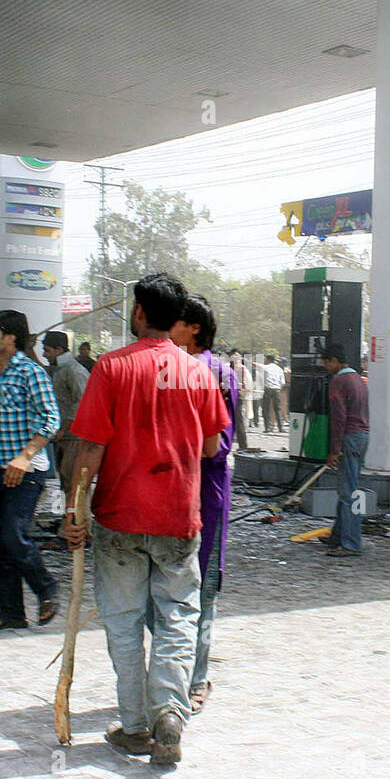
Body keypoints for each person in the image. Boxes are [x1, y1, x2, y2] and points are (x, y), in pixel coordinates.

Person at [62, 272, 229, 767]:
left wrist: (74, 510)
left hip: (118, 516)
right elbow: (211, 445)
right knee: (179, 618)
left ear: (138, 312)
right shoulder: (198, 372)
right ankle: (171, 715)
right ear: (176, 317)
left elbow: (89, 447)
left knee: (124, 621)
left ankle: (135, 726)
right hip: (179, 515)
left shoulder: (111, 369)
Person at [0, 311, 61, 632]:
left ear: (10, 338)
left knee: (13, 535)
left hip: (29, 469)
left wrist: (25, 456)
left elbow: (51, 421)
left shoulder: (31, 373)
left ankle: (47, 589)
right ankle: (11, 612)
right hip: (2, 468)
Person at [170, 295, 238, 714]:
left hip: (205, 494)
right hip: (170, 494)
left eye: (175, 322)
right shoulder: (167, 369)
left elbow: (221, 444)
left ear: (194, 328)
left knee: (204, 589)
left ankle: (197, 678)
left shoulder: (217, 373)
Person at [320, 344, 370, 558]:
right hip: (363, 436)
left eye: (326, 363)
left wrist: (334, 449)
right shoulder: (358, 379)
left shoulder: (338, 381)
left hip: (349, 437)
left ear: (334, 361)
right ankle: (339, 534)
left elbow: (339, 418)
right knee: (352, 489)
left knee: (348, 492)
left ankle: (351, 543)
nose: (325, 368)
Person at [41, 330, 90, 518]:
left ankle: (78, 528)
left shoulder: (73, 370)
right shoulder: (60, 368)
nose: (45, 355)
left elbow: (81, 401)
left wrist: (63, 428)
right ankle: (66, 522)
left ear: (59, 349)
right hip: (65, 436)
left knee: (74, 483)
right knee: (65, 481)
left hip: (75, 436)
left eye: (47, 351)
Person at [259, 355, 285, 433]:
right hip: (277, 389)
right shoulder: (279, 369)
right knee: (277, 409)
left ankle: (267, 427)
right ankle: (281, 428)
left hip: (267, 389)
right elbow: (282, 382)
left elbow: (261, 380)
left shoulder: (265, 368)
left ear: (268, 359)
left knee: (266, 409)